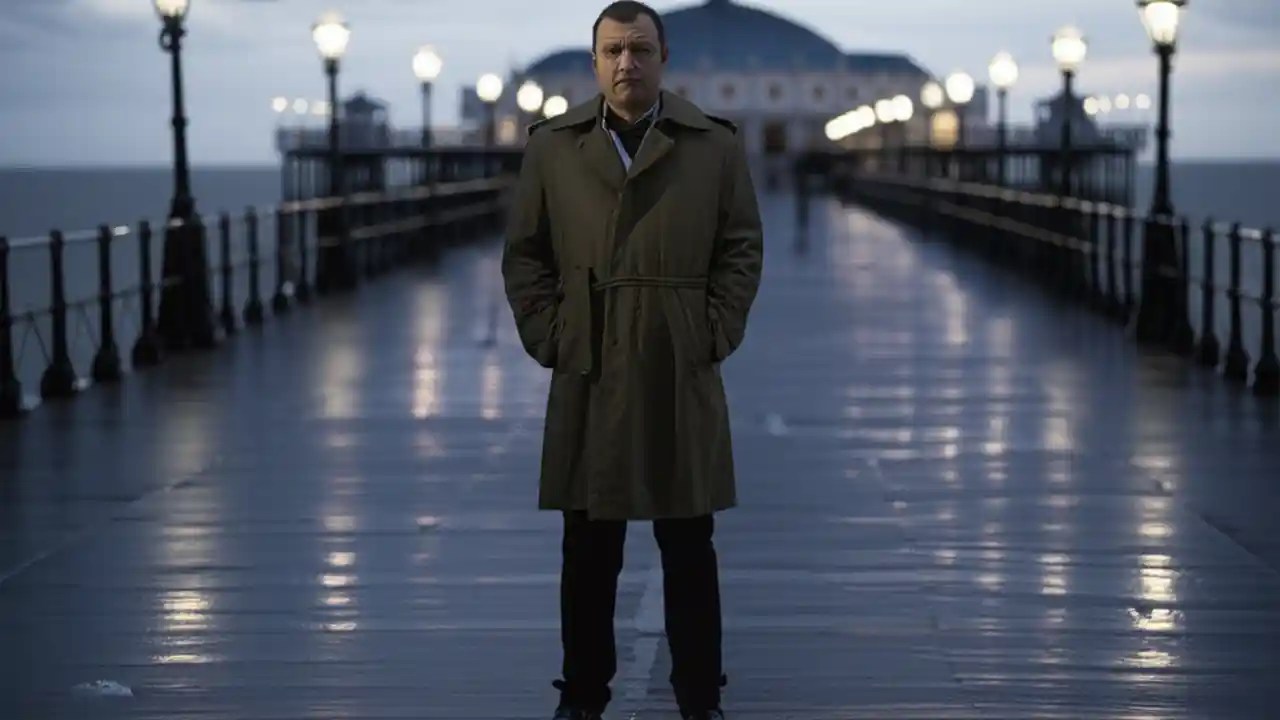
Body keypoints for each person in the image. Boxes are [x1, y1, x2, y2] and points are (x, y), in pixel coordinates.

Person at [500, 1, 763, 718]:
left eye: (640, 49)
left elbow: (741, 245)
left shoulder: (711, 145)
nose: (627, 64)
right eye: (613, 50)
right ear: (594, 62)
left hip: (678, 356)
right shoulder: (554, 148)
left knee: (688, 539)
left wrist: (714, 329)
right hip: (590, 357)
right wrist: (551, 336)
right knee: (588, 542)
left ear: (663, 55)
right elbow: (526, 254)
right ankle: (582, 692)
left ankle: (699, 695)